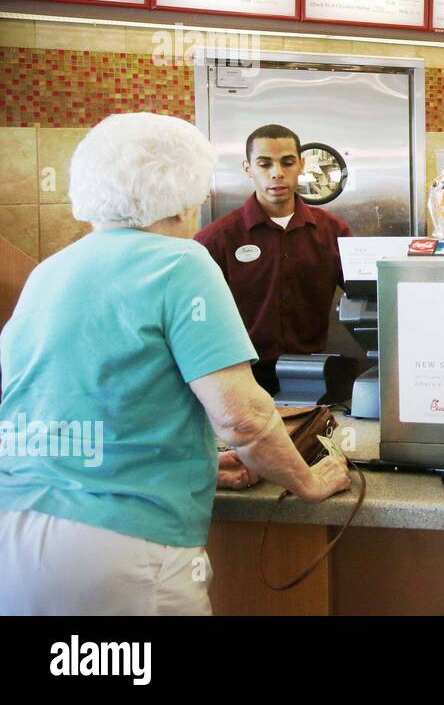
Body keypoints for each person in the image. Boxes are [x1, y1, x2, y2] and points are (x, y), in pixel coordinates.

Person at [0, 113, 350, 615]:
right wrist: (310, 483)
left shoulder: (51, 270)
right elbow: (243, 419)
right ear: (186, 195)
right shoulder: (180, 261)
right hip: (122, 546)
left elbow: (85, 396)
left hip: (15, 533)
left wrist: (201, 462)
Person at [196, 124, 352, 394]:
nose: (277, 173)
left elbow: (369, 295)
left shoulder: (333, 233)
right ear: (248, 168)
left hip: (313, 376)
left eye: (287, 162)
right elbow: (197, 317)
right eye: (264, 164)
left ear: (301, 165)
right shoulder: (216, 239)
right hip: (241, 378)